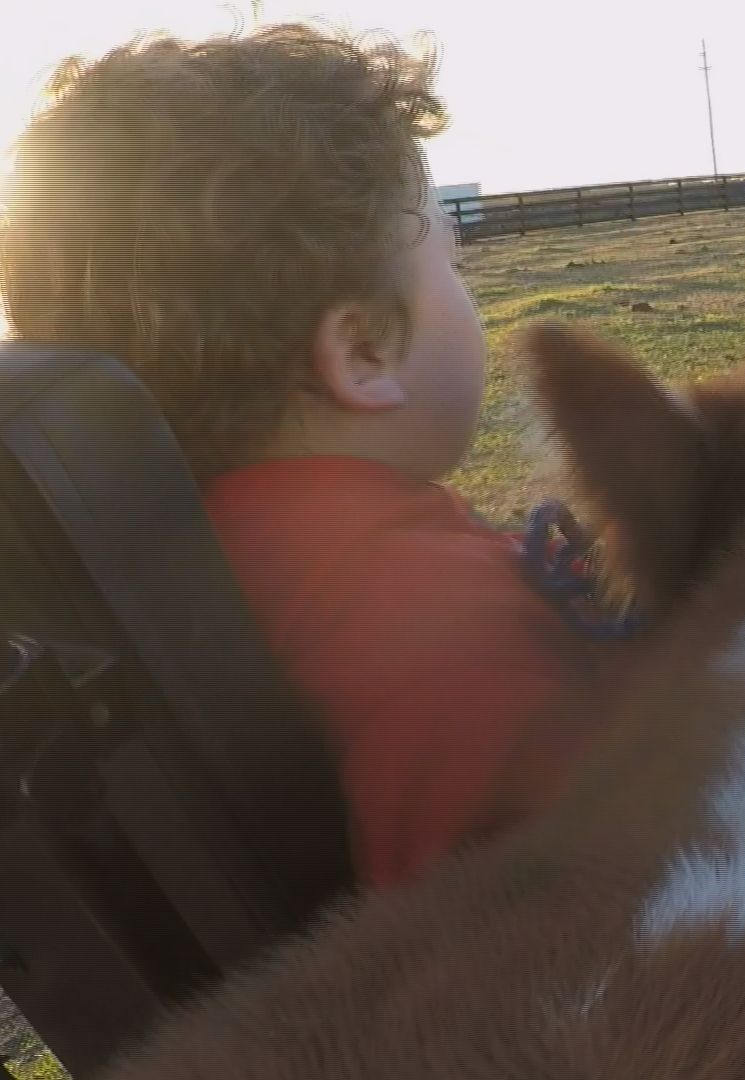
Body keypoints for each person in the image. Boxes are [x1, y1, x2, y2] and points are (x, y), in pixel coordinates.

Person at [0, 22, 617, 890]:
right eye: (453, 259)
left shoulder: (197, 577)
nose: (468, 290)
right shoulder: (442, 638)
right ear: (363, 349)